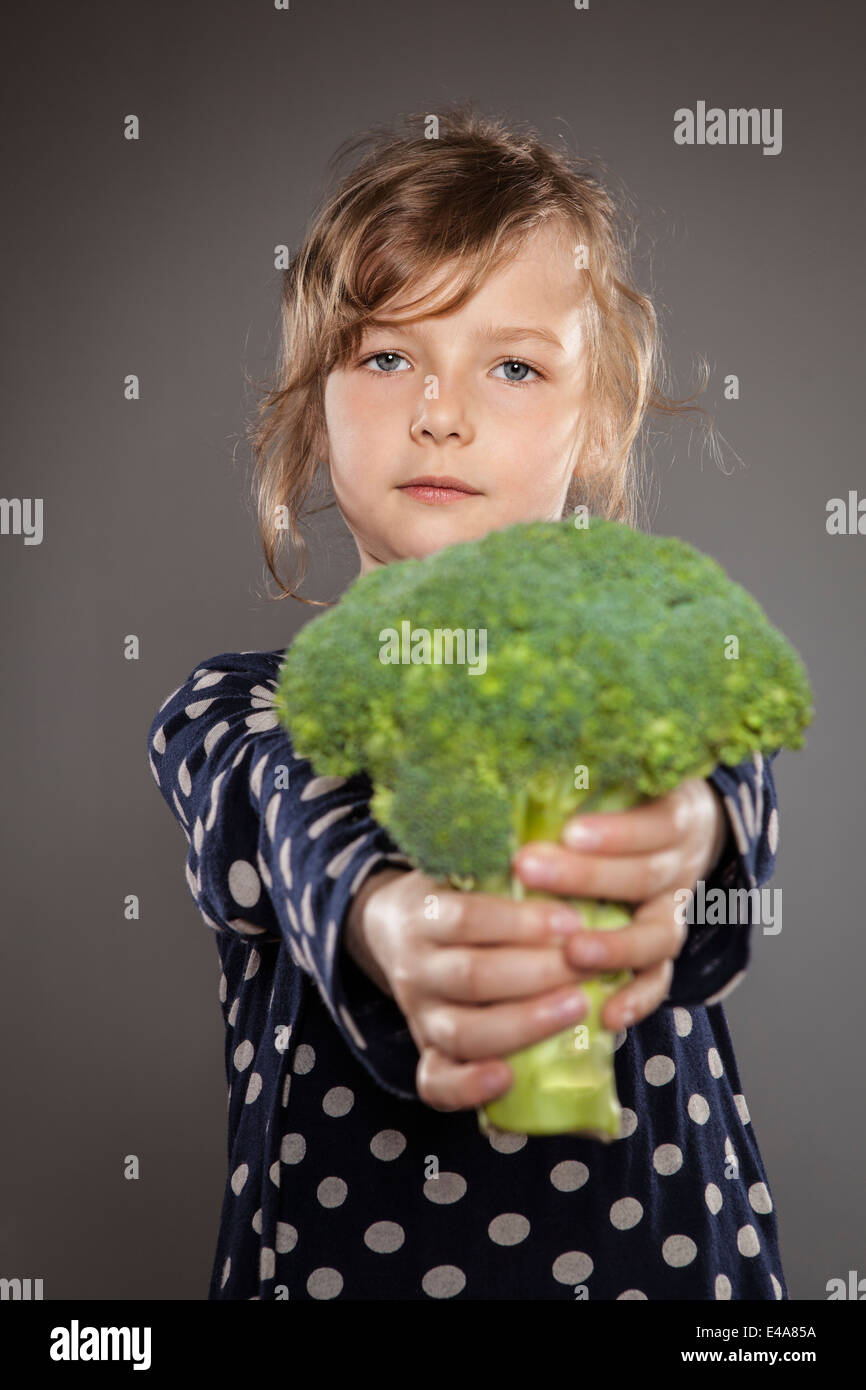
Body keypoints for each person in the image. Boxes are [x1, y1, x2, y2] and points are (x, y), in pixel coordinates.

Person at [147, 104, 788, 1300]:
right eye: (387, 355)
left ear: (593, 425)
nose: (440, 410)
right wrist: (385, 918)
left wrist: (689, 833)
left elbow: (727, 767)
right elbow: (283, 810)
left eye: (511, 365)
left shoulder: (647, 678)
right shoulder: (238, 711)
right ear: (311, 403)